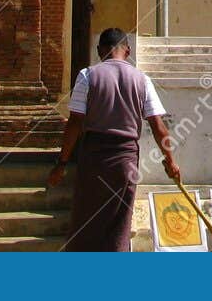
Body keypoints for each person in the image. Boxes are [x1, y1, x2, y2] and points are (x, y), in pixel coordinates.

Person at [48, 27, 180, 251]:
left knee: (86, 221)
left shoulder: (87, 75)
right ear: (127, 51)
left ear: (100, 50)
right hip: (125, 162)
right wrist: (171, 161)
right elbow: (158, 127)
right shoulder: (142, 80)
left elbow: (75, 123)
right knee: (118, 225)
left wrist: (61, 163)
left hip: (93, 161)